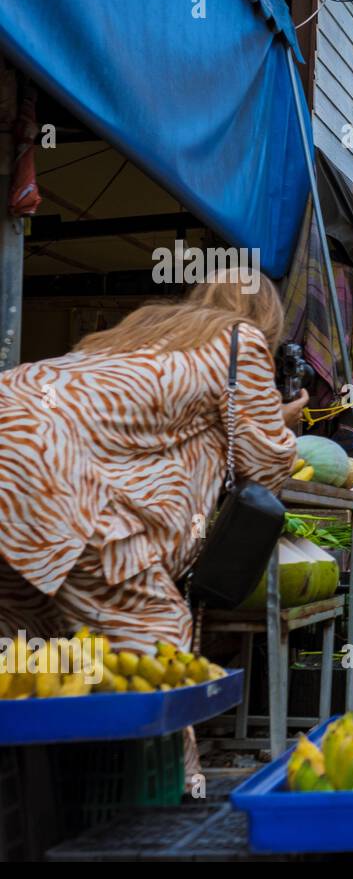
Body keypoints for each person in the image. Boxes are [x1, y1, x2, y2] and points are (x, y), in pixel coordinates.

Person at [0, 277, 303, 654]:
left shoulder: (148, 327)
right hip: (48, 471)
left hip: (14, 442)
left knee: (24, 639)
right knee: (157, 639)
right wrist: (283, 419)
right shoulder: (241, 341)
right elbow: (266, 466)